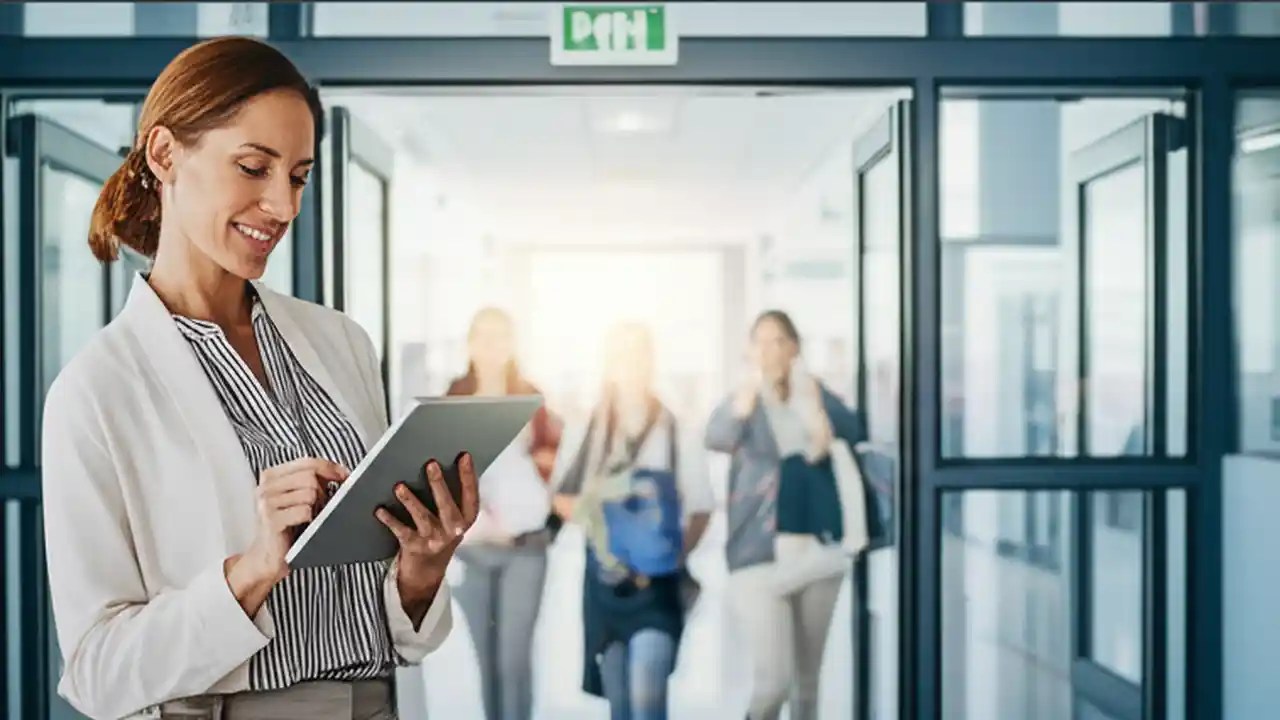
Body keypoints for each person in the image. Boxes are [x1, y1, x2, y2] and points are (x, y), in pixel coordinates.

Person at [40, 37, 477, 720]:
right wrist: (250, 570)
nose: (283, 205)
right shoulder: (95, 392)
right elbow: (97, 671)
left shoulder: (341, 343)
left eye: (298, 176)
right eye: (253, 167)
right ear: (164, 155)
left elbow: (380, 605)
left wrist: (422, 568)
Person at [705, 310, 870, 720]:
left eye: (778, 340)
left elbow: (855, 429)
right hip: (756, 553)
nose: (769, 350)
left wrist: (817, 409)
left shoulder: (812, 392)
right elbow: (716, 438)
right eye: (760, 341)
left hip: (816, 551)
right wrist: (740, 410)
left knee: (806, 686)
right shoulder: (744, 399)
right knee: (772, 682)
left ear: (794, 348)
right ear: (749, 350)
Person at [553, 323, 713, 720]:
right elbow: (560, 499)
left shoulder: (676, 429)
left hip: (658, 587)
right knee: (621, 706)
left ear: (652, 360)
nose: (631, 363)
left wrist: (671, 553)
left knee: (647, 695)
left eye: (639, 352)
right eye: (621, 354)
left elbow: (702, 505)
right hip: (604, 587)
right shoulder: (587, 430)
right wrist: (602, 516)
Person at [446, 307, 562, 720]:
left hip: (523, 549)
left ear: (513, 345)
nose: (492, 346)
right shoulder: (453, 397)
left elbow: (554, 472)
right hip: (472, 551)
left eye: (501, 336)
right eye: (484, 336)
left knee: (514, 661)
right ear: (470, 344)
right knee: (488, 664)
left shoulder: (532, 398)